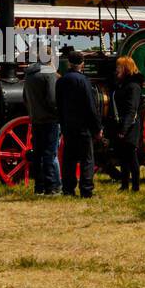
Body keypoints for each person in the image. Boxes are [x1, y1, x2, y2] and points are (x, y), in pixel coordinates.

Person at [55, 51, 101, 197]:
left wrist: (62, 124)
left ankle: (68, 189)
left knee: (69, 159)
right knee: (87, 159)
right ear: (82, 64)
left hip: (68, 126)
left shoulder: (61, 81)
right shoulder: (83, 80)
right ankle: (86, 189)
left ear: (69, 63)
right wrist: (97, 127)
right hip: (83, 126)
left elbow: (59, 105)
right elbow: (90, 106)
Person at [23, 61, 60, 194]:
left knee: (38, 154)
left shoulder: (28, 74)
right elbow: (52, 99)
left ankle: (39, 187)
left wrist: (33, 113)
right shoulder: (48, 73)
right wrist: (58, 113)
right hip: (50, 119)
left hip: (36, 119)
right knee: (50, 153)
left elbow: (24, 97)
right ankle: (52, 187)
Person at [110, 57, 144, 192]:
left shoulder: (133, 86)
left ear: (125, 68)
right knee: (123, 157)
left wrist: (124, 129)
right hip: (123, 125)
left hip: (130, 126)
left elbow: (132, 110)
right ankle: (124, 185)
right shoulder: (123, 85)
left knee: (131, 157)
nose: (116, 69)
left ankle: (135, 186)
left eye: (119, 67)